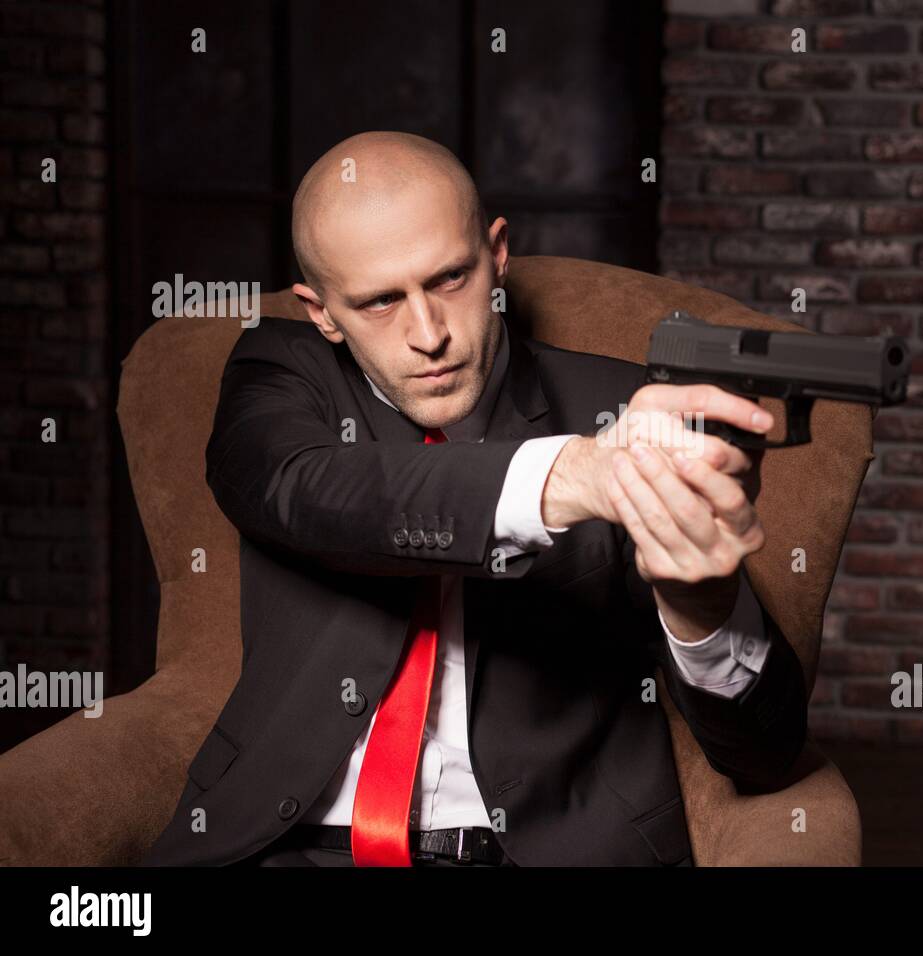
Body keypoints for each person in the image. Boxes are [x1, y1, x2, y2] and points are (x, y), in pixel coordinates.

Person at [141, 131, 808, 867]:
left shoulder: (620, 408)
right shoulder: (278, 376)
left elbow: (768, 759)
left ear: (498, 253)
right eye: (379, 302)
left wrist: (703, 610)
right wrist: (572, 477)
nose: (428, 335)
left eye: (450, 279)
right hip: (284, 846)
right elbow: (301, 488)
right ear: (321, 311)